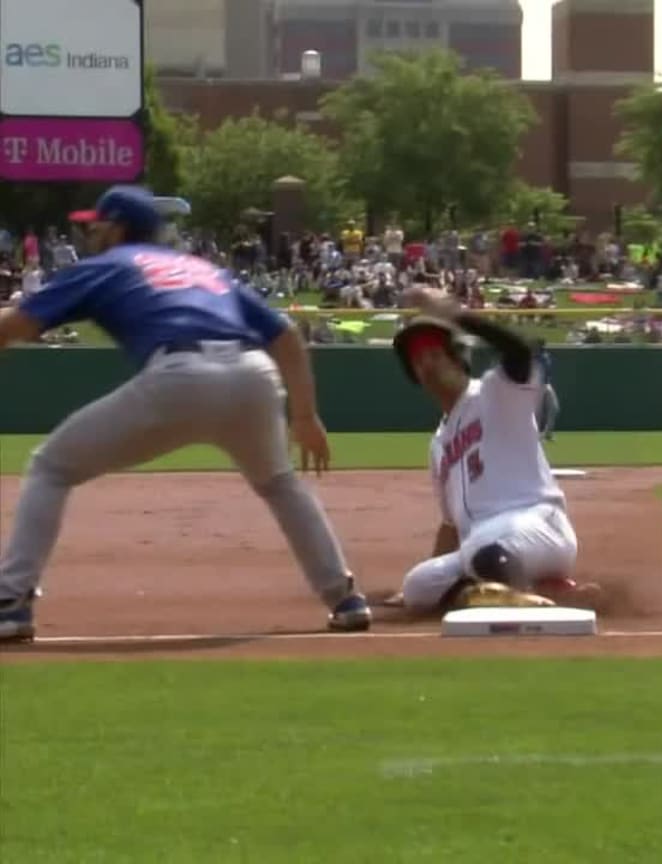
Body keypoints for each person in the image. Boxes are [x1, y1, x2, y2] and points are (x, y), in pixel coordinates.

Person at [0, 186, 372, 642]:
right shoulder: (204, 269)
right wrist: (306, 416)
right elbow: (287, 336)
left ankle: (12, 601)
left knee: (51, 466)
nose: (89, 230)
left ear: (117, 226)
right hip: (253, 376)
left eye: (95, 222)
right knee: (280, 484)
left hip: (181, 375)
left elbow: (15, 326)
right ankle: (345, 598)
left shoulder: (105, 265)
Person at [382, 286, 601, 613]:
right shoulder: (439, 443)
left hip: (536, 525)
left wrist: (457, 315)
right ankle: (534, 588)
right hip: (485, 548)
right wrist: (432, 581)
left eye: (433, 354)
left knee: (481, 546)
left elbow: (520, 353)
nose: (425, 364)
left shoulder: (495, 394)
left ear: (457, 357)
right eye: (417, 359)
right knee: (417, 585)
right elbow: (450, 526)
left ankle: (519, 596)